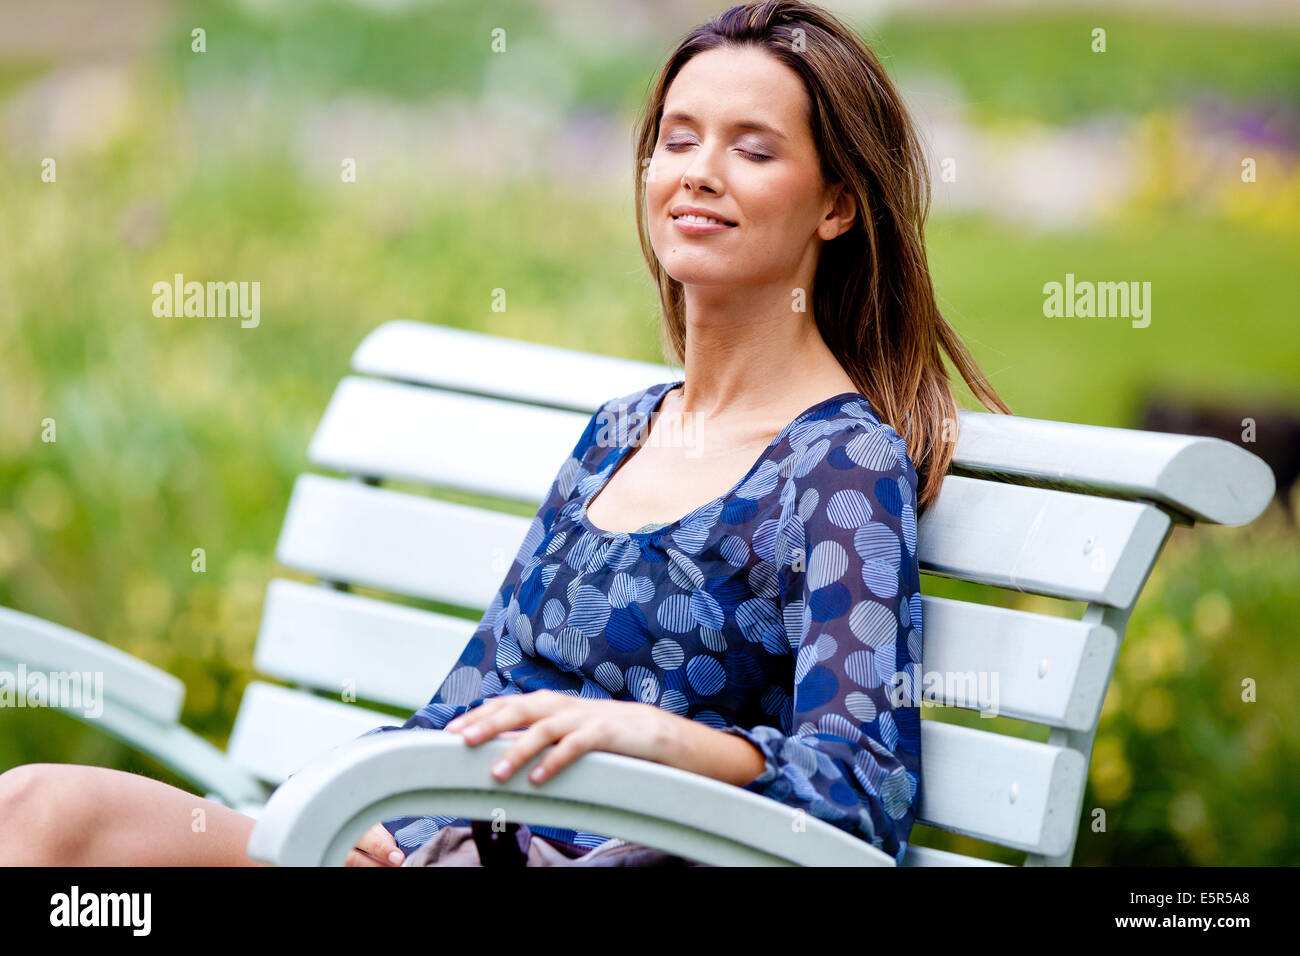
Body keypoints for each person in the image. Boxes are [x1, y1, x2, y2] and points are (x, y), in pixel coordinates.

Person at [0, 0, 1010, 867]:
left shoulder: (838, 466)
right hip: (429, 840)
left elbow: (860, 793)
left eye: (753, 148)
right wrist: (349, 806)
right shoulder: (619, 432)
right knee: (38, 812)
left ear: (836, 204)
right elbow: (470, 699)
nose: (698, 171)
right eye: (678, 136)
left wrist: (653, 738)